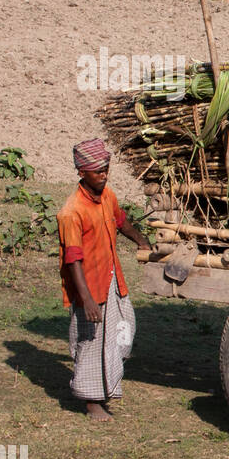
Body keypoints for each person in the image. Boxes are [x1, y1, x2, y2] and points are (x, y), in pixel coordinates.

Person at [56, 139, 151, 422]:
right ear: (82, 173)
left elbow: (120, 221)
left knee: (125, 327)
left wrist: (142, 240)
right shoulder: (71, 212)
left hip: (111, 278)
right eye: (98, 171)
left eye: (106, 169)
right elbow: (72, 260)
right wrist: (85, 300)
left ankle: (107, 379)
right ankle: (92, 401)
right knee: (90, 340)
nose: (104, 174)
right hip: (89, 287)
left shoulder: (107, 195)